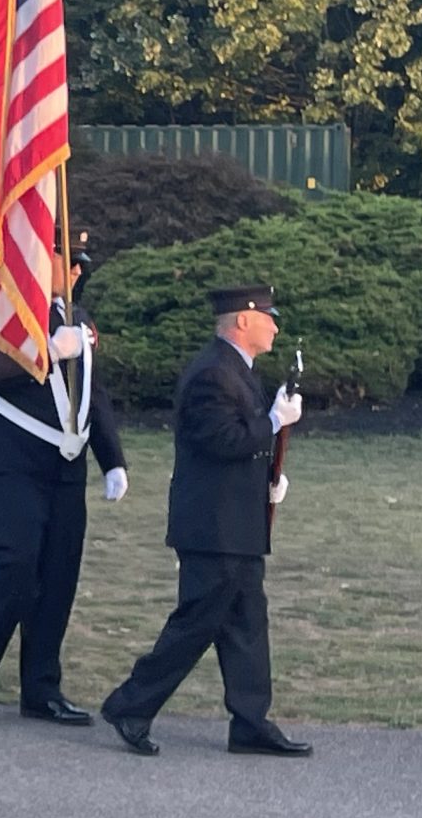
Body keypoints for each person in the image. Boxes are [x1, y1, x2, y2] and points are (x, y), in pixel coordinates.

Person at [100, 283, 313, 758]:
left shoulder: (236, 370)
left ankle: (250, 721)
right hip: (213, 526)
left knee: (246, 623)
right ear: (242, 321)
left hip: (235, 523)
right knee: (198, 621)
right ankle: (130, 705)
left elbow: (243, 444)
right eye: (267, 318)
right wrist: (274, 424)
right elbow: (223, 440)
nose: (275, 326)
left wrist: (269, 477)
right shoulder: (213, 374)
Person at [0, 254, 126, 724]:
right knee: (16, 559)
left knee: (58, 575)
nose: (74, 273)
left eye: (79, 267)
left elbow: (92, 390)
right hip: (8, 458)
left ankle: (41, 687)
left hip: (64, 465)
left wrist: (112, 460)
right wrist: (47, 349)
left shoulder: (78, 318)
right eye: (65, 261)